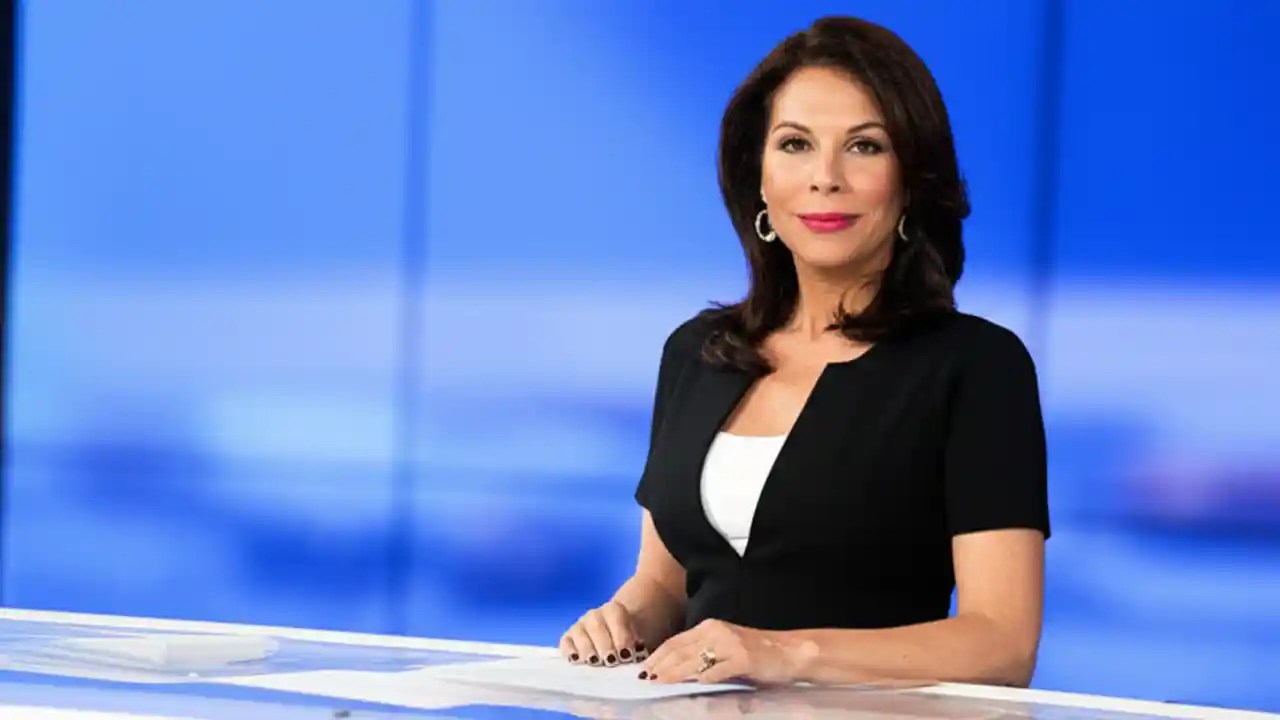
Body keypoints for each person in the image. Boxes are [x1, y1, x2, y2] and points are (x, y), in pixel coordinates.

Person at [559, 15, 1050, 688]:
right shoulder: (695, 353)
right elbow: (663, 584)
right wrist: (622, 619)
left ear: (911, 178)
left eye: (865, 147)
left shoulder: (976, 368)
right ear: (756, 177)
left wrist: (784, 654)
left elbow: (1003, 644)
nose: (826, 177)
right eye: (795, 144)